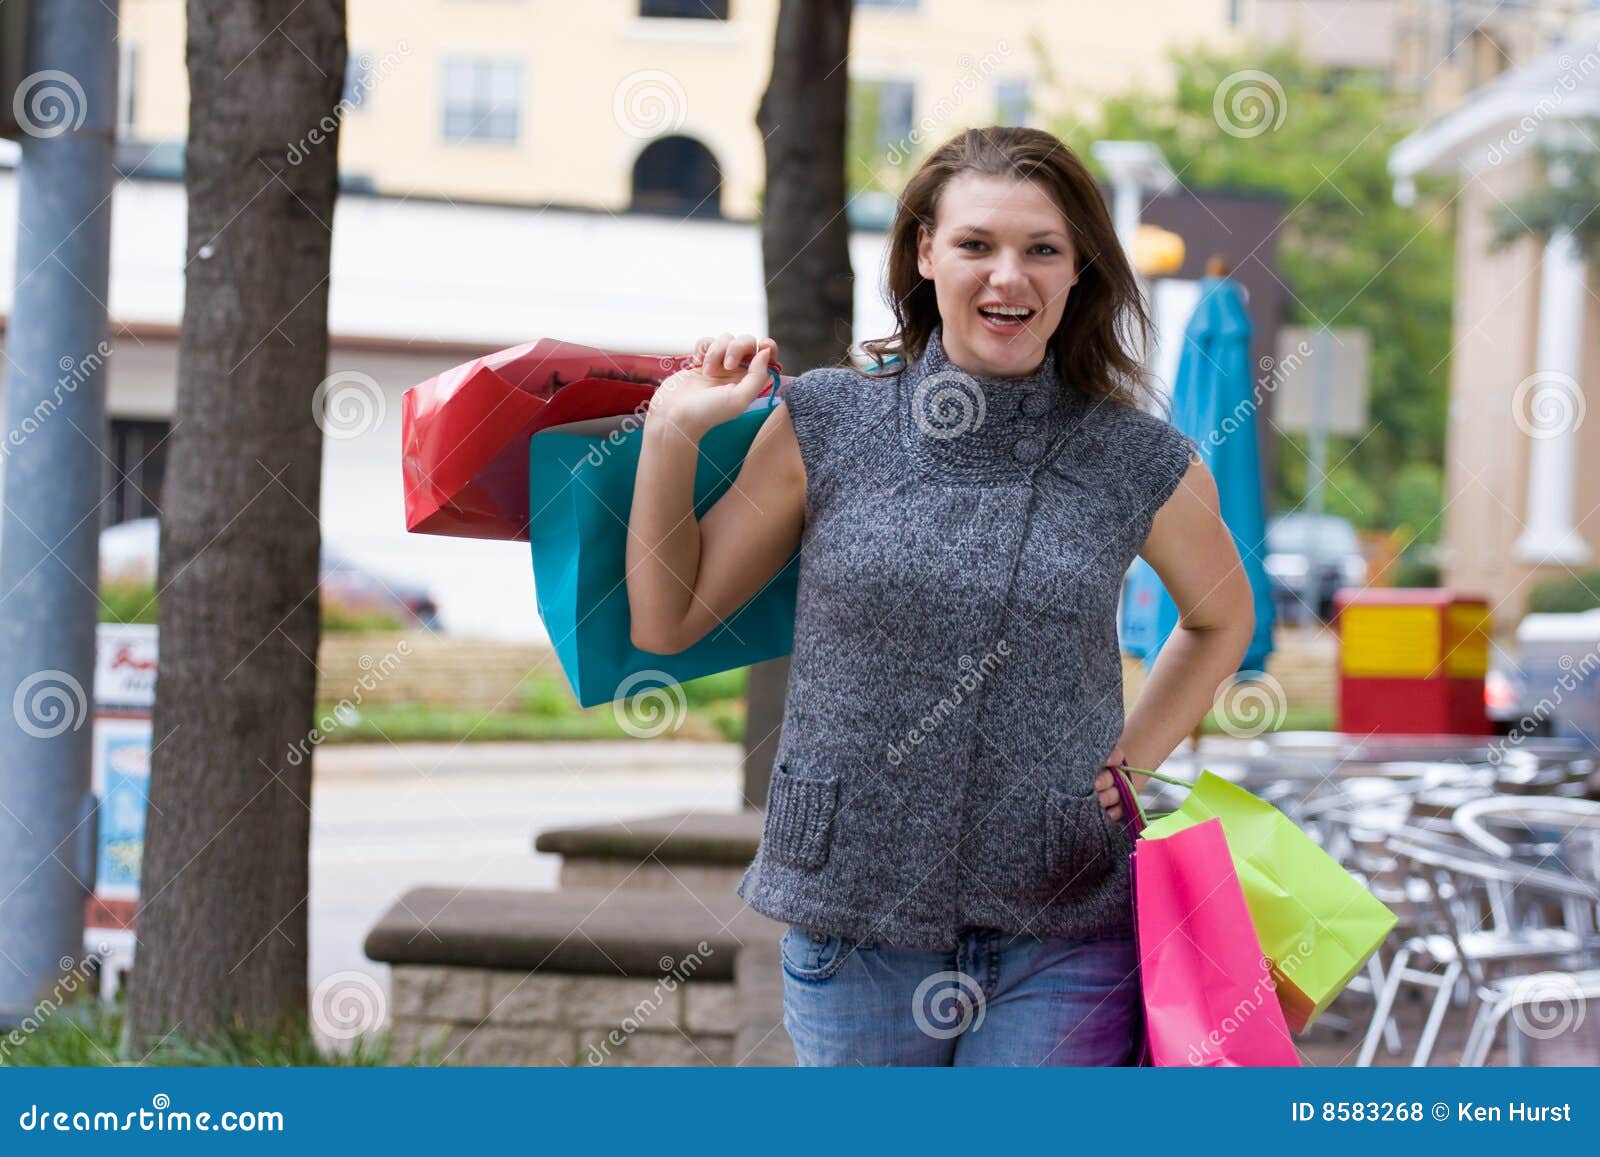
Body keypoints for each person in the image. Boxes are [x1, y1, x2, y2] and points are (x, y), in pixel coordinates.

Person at [626, 126, 1255, 1066]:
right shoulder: (828, 422)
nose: (1010, 278)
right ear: (925, 252)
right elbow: (666, 619)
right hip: (856, 923)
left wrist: (1128, 762)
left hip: (1063, 927)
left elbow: (1221, 618)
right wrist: (670, 435)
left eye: (1042, 249)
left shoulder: (1135, 457)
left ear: (1079, 267)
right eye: (976, 245)